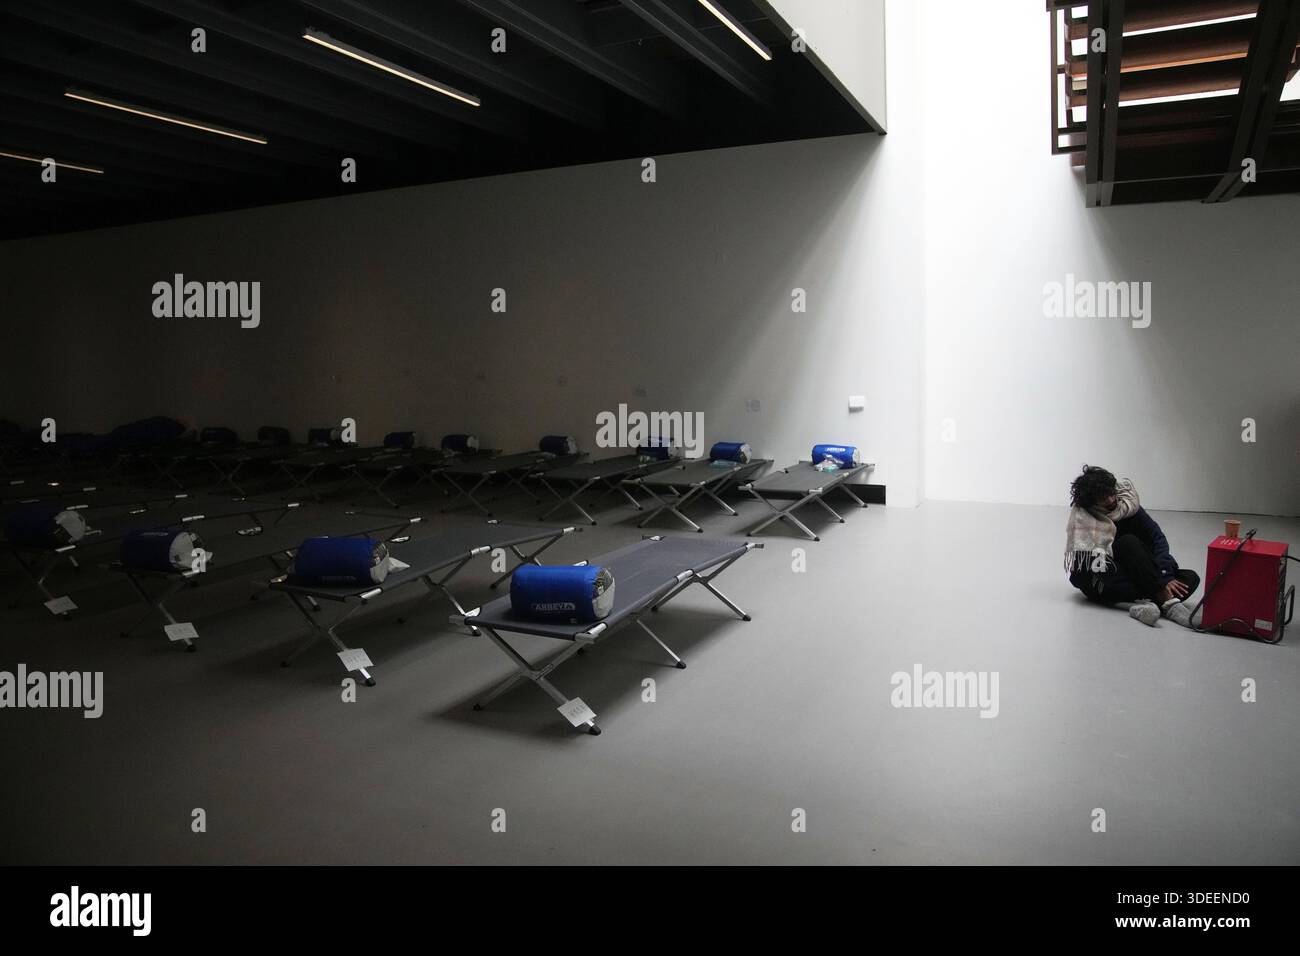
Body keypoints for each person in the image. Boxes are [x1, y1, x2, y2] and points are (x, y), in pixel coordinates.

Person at [1064, 465, 1200, 627]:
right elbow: (1092, 569)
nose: (1111, 500)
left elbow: (1157, 538)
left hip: (1138, 570)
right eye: (1103, 498)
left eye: (1110, 493)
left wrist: (1165, 575)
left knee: (1190, 578)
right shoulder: (1083, 521)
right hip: (1103, 578)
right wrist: (1159, 585)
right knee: (1128, 543)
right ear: (1091, 502)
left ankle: (1143, 604)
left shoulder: (1127, 505)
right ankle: (1166, 602)